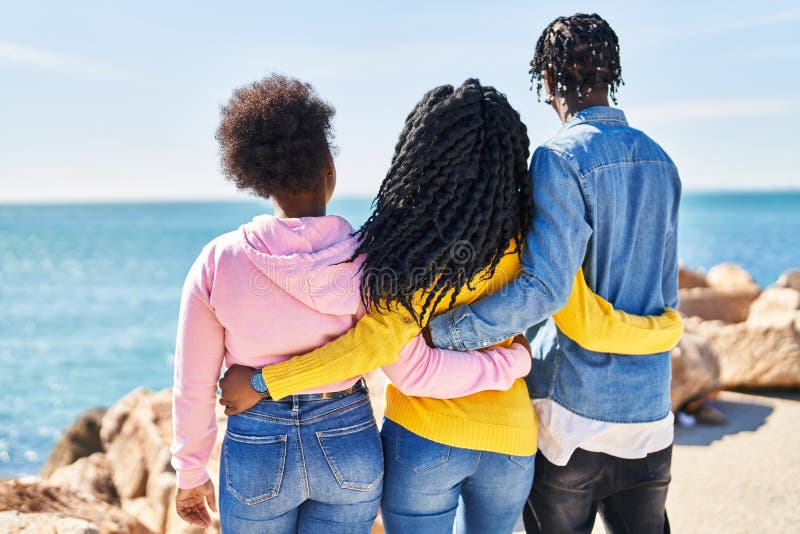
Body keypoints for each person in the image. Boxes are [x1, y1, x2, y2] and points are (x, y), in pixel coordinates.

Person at [220, 78, 683, 533]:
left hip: (424, 441)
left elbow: (369, 348)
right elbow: (572, 306)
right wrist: (662, 331)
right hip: (511, 443)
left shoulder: (405, 251)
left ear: (420, 158)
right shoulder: (526, 242)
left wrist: (267, 381)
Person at [170, 74, 536, 533]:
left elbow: (193, 385)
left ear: (259, 178)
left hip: (257, 444)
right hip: (347, 442)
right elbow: (405, 365)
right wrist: (514, 361)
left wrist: (190, 474)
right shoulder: (369, 260)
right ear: (330, 170)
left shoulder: (219, 262)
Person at [424, 14, 682, 534]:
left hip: (573, 415)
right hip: (650, 410)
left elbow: (544, 287)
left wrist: (445, 332)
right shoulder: (662, 161)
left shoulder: (558, 158)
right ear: (612, 70)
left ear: (547, 79)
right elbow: (662, 290)